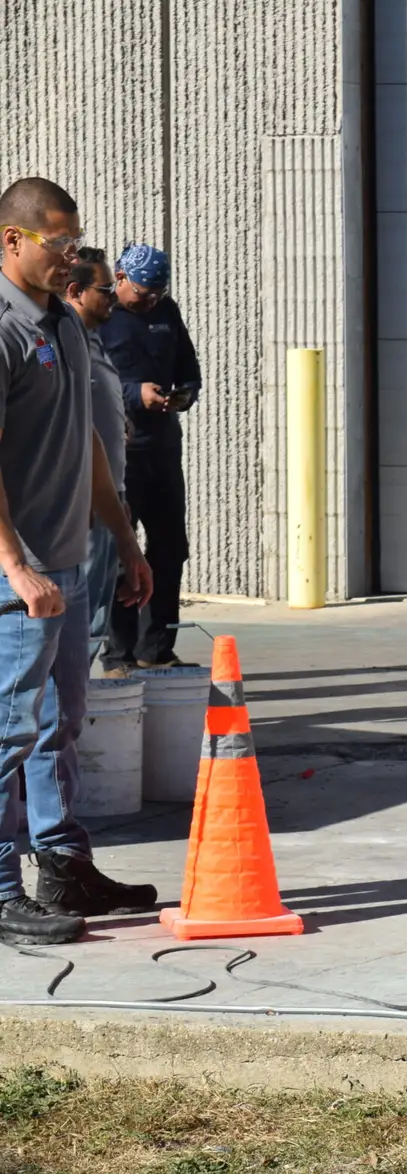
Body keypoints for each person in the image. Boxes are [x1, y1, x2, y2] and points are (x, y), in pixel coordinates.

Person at [0, 177, 156, 944]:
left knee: (60, 725)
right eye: (58, 243)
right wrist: (15, 567)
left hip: (65, 562)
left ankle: (63, 868)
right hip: (16, 578)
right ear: (13, 241)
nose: (72, 257)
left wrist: (122, 540)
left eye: (75, 242)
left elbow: (88, 440)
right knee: (8, 731)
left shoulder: (64, 322)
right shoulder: (2, 330)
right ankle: (1, 887)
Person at [99, 241, 198, 669]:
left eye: (157, 294)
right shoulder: (100, 315)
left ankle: (157, 649)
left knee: (170, 548)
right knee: (121, 552)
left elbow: (188, 366)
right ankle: (118, 653)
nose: (150, 300)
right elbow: (88, 381)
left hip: (161, 448)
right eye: (143, 293)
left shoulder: (166, 312)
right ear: (120, 279)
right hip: (119, 454)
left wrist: (185, 393)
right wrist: (134, 395)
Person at [64, 248, 128, 666]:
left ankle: (79, 705)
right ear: (77, 291)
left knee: (98, 612)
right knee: (81, 614)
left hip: (108, 495)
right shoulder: (64, 346)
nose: (114, 298)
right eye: (105, 290)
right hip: (83, 500)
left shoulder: (92, 341)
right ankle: (67, 711)